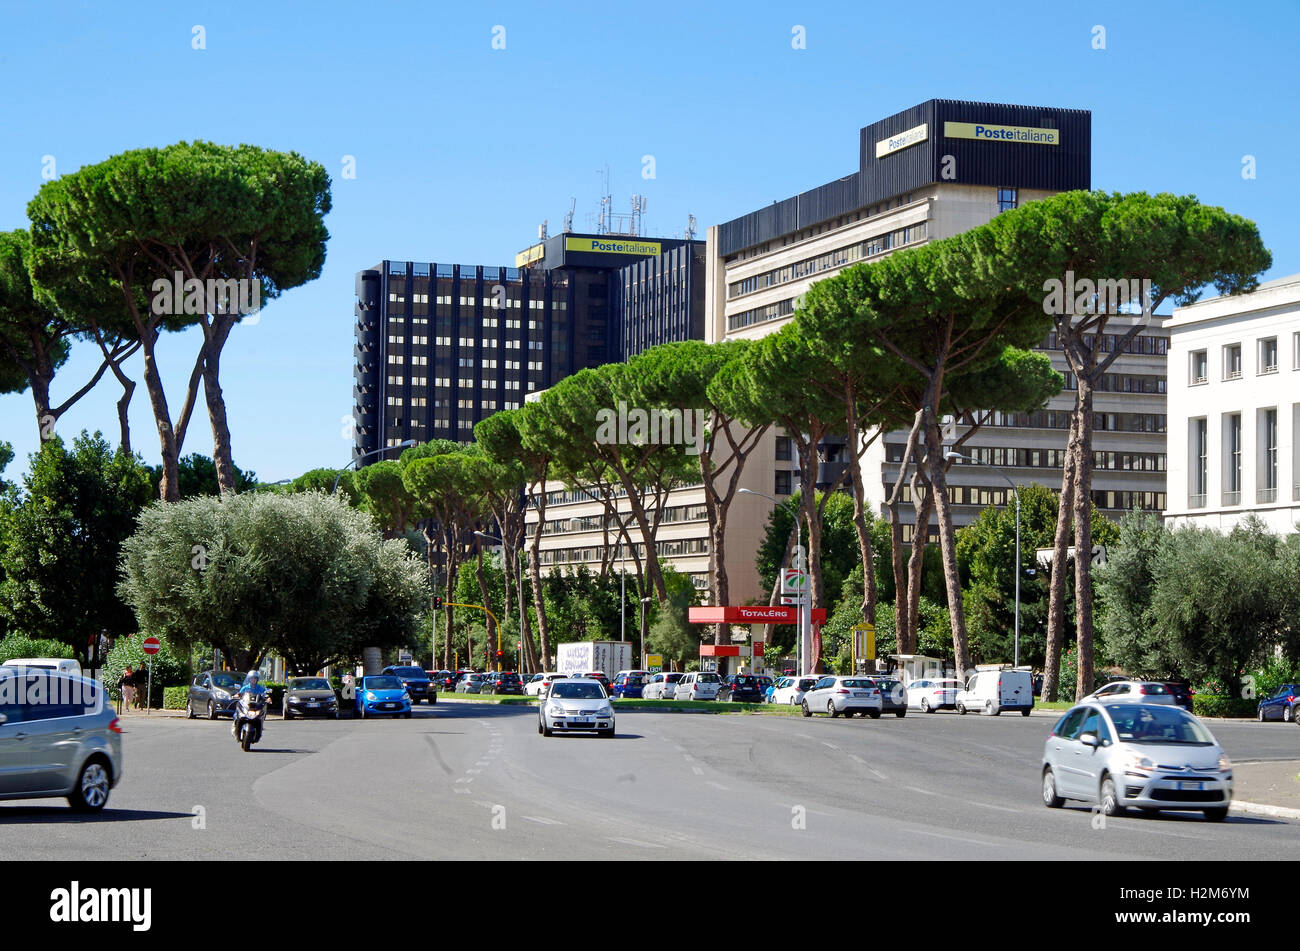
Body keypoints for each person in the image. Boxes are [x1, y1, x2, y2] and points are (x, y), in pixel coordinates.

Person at [232, 671, 268, 736]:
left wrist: (268, 698)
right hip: (247, 706)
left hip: (256, 706)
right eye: (252, 678)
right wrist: (236, 696)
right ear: (249, 679)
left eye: (255, 678)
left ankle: (259, 729)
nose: (253, 680)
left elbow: (265, 695)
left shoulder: (260, 688)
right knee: (237, 713)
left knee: (260, 715)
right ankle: (235, 726)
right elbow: (239, 694)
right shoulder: (245, 687)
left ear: (257, 679)